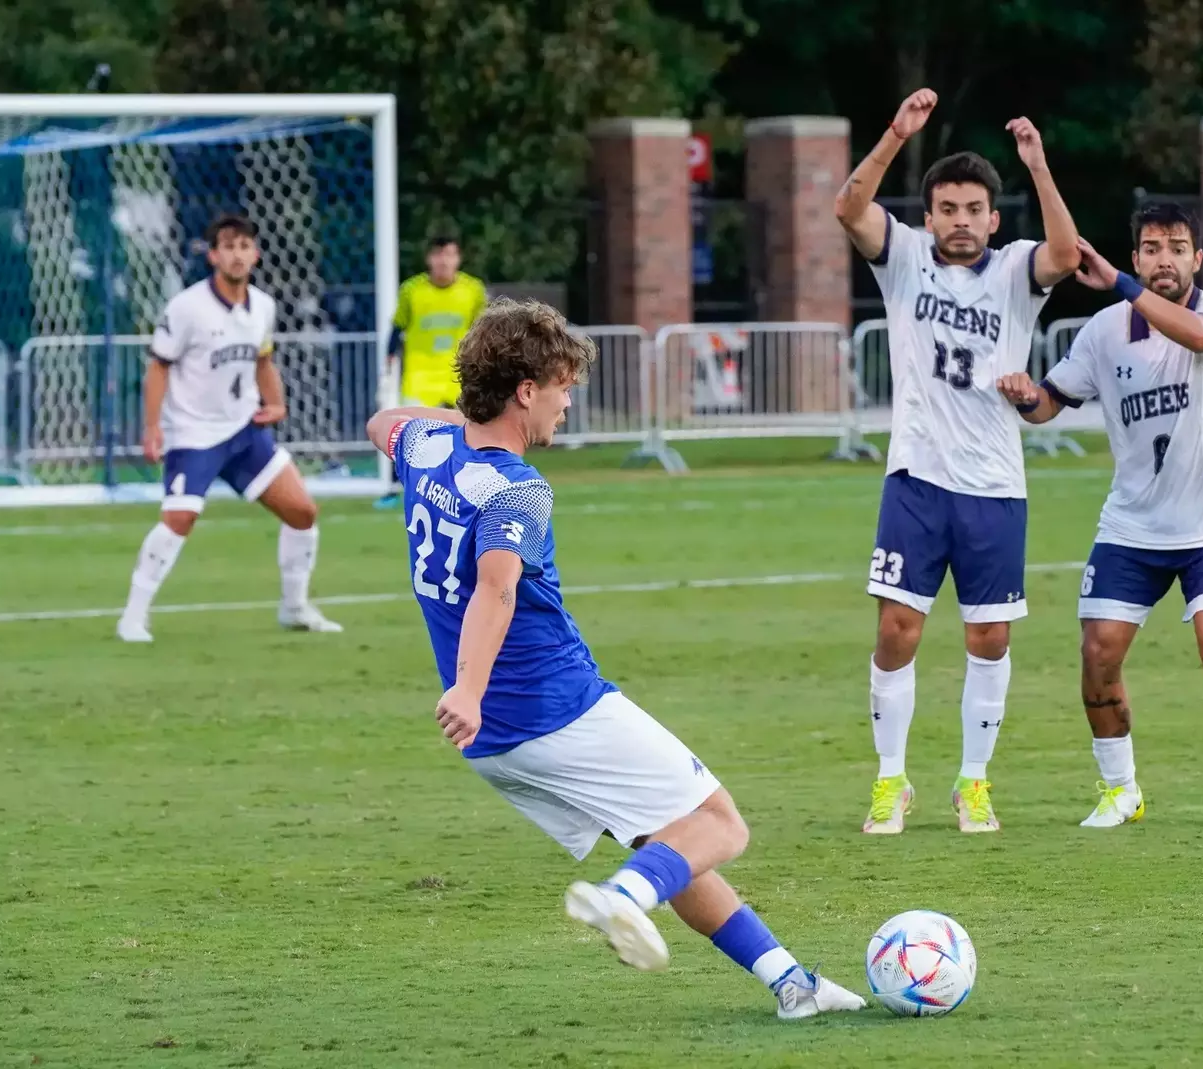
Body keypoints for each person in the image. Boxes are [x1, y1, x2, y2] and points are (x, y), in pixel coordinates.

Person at [364, 298, 865, 1018]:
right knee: (720, 825)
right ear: (526, 390)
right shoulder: (519, 488)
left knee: (671, 840)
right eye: (563, 387)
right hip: (554, 706)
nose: (568, 404)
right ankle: (621, 897)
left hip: (495, 742)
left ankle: (791, 983)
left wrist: (459, 428)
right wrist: (467, 688)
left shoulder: (421, 447)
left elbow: (384, 421)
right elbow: (497, 589)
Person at [833, 87, 1081, 835]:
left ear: (993, 218)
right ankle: (890, 780)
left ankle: (973, 783)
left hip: (995, 484)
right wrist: (893, 134)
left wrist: (1037, 166)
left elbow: (1067, 256)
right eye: (948, 208)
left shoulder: (1013, 272)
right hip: (915, 478)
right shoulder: (904, 258)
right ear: (930, 214)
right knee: (897, 631)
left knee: (990, 636)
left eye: (974, 209)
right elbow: (849, 210)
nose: (961, 221)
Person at [997, 201, 1203, 829]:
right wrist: (1023, 395)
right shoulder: (1103, 332)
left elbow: (1200, 339)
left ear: (1197, 258)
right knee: (1098, 654)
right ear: (1137, 254)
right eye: (1150, 248)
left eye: (1175, 247)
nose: (1162, 258)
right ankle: (1121, 791)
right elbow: (1050, 405)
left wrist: (1119, 280)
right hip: (1132, 528)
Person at [117, 213, 341, 642]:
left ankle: (294, 608)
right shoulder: (187, 307)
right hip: (193, 434)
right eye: (229, 247)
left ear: (255, 254)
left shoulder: (263, 306)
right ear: (213, 256)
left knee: (302, 513)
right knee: (180, 518)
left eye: (245, 247)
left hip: (242, 433)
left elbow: (262, 360)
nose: (237, 255)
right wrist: (152, 427)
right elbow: (158, 367)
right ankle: (133, 616)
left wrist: (276, 403)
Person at [375, 236, 487, 509]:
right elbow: (398, 327)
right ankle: (394, 487)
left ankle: (475, 486)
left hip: (458, 373)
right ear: (429, 259)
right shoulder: (412, 290)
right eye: (438, 255)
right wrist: (389, 362)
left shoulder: (472, 290)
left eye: (449, 255)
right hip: (420, 375)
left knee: (473, 430)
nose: (443, 261)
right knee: (409, 432)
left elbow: (483, 330)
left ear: (458, 259)